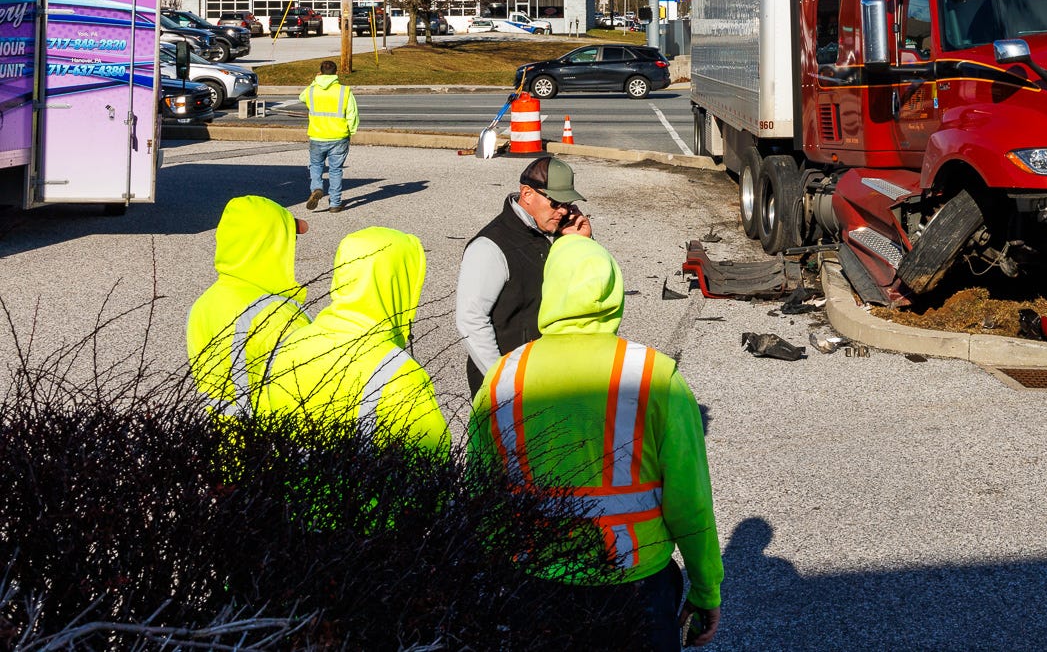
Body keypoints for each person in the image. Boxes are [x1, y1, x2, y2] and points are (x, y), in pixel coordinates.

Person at [472, 235, 723, 649]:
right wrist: (705, 587)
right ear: (614, 290)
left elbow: (482, 494)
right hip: (636, 580)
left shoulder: (502, 377)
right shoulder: (655, 376)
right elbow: (690, 499)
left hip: (535, 581)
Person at [257, 225, 449, 454]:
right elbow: (433, 466)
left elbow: (263, 432)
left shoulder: (286, 347)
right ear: (400, 286)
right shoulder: (399, 373)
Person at [456, 154, 593, 395]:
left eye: (568, 204)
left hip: (545, 379)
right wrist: (502, 382)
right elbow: (471, 320)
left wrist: (582, 244)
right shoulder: (490, 246)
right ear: (527, 194)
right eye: (556, 203)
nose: (563, 211)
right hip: (506, 386)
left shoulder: (555, 234)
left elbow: (588, 291)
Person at [187, 194, 309, 418]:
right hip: (267, 445)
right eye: (289, 240)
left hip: (218, 438)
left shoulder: (205, 303)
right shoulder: (278, 316)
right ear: (272, 245)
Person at [303, 59, 360, 212]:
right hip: (339, 136)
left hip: (317, 135)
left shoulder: (312, 90)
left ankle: (316, 188)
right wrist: (351, 131)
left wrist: (315, 81)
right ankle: (335, 203)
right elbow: (352, 114)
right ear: (336, 73)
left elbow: (302, 97)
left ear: (320, 73)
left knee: (316, 166)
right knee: (336, 170)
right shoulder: (344, 91)